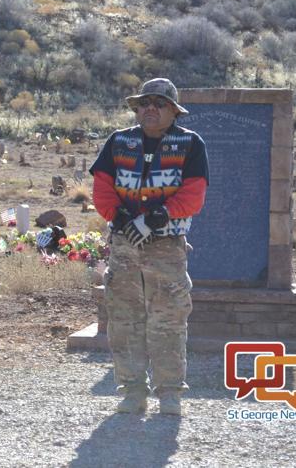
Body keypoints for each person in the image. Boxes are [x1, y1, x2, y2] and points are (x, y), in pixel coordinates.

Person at [89, 78, 208, 416]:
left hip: (167, 247)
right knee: (124, 319)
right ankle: (132, 391)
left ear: (173, 111)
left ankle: (169, 394)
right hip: (124, 246)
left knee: (168, 320)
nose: (150, 109)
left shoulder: (190, 143)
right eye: (144, 103)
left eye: (159, 103)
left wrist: (156, 217)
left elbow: (194, 193)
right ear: (136, 109)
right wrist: (122, 217)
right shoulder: (118, 141)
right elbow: (102, 187)